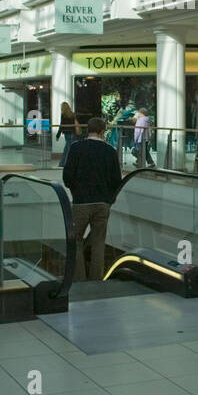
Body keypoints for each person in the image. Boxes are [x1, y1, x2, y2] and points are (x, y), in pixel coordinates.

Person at [62, 117, 122, 281]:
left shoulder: (76, 148)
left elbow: (67, 176)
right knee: (98, 243)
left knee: (75, 241)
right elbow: (117, 180)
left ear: (88, 130)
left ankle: (79, 279)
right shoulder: (110, 151)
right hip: (102, 203)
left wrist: (75, 190)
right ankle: (97, 279)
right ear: (103, 131)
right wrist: (109, 198)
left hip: (81, 203)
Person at [56, 102, 78, 167]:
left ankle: (66, 164)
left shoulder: (63, 115)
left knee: (68, 149)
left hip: (67, 133)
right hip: (73, 133)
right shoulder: (72, 114)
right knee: (67, 149)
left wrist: (58, 135)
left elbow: (61, 125)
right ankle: (62, 163)